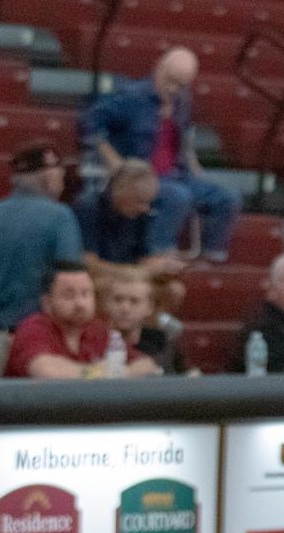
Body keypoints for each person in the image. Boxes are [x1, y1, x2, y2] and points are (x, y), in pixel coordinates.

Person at [83, 47, 242, 260]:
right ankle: (157, 255)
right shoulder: (131, 97)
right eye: (170, 80)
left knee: (228, 198)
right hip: (142, 176)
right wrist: (111, 158)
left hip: (178, 174)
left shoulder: (183, 102)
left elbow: (184, 142)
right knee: (178, 196)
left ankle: (212, 259)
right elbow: (89, 123)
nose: (174, 88)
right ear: (159, 68)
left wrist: (194, 167)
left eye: (181, 84)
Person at [0, 142, 83, 374]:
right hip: (43, 341)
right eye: (59, 172)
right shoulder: (60, 217)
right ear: (48, 175)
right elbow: (70, 282)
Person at [73, 159, 187, 320]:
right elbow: (88, 263)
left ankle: (146, 335)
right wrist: (134, 273)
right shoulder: (89, 208)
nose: (145, 208)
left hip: (132, 276)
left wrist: (162, 266)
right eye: (140, 201)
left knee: (174, 290)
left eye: (149, 202)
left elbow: (143, 258)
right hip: (102, 276)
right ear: (120, 190)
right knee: (108, 287)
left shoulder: (140, 215)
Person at [5, 262, 158, 380]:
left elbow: (145, 365)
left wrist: (119, 372)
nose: (80, 303)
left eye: (85, 294)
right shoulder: (34, 328)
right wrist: (102, 372)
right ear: (47, 302)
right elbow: (46, 371)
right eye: (69, 295)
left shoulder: (97, 330)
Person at [100, 267, 185, 375]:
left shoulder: (162, 343)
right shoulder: (91, 342)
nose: (125, 308)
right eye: (118, 299)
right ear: (106, 303)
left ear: (149, 307)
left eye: (134, 301)